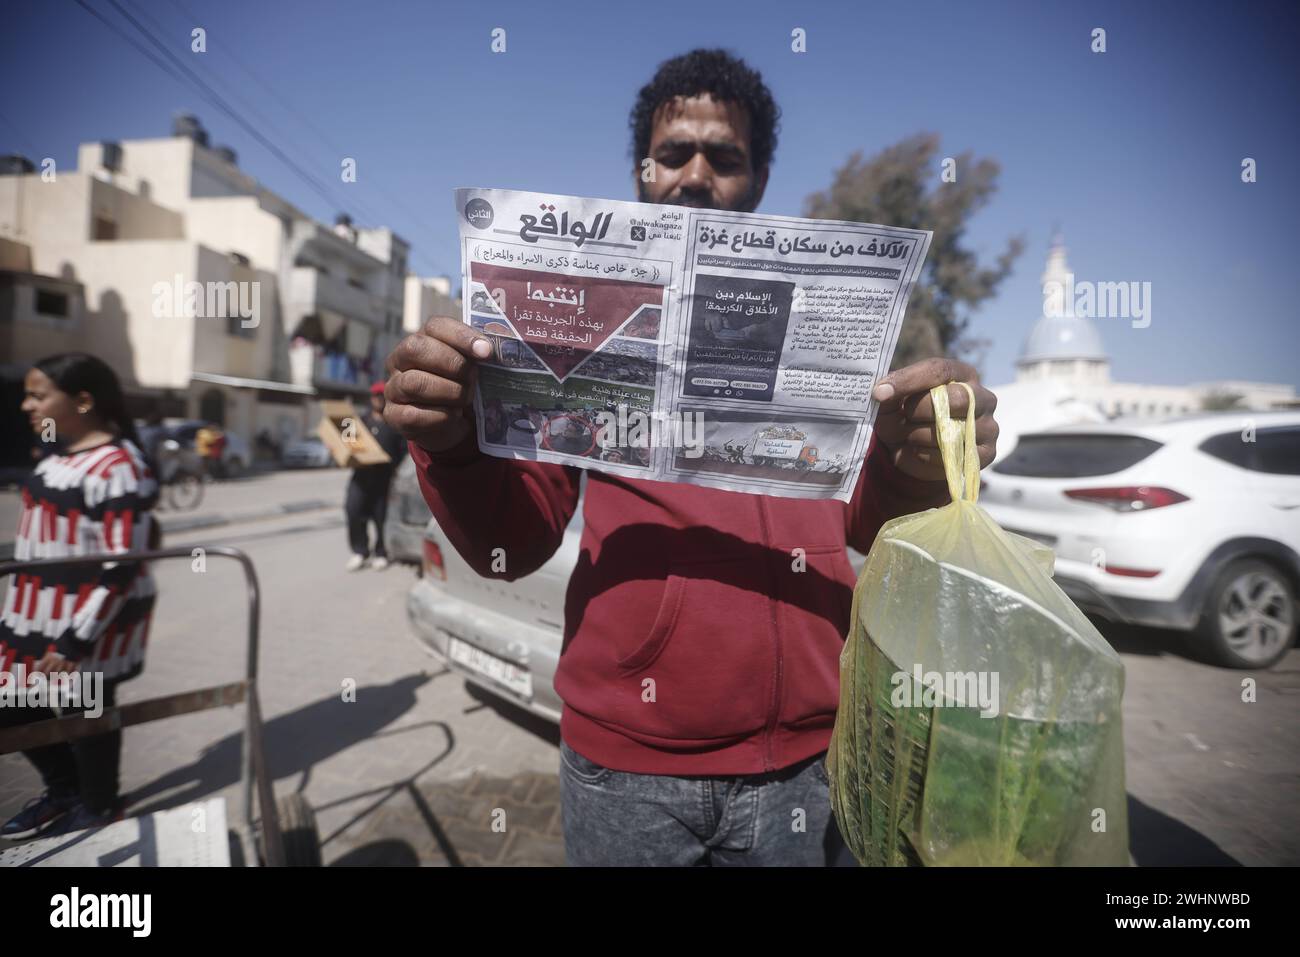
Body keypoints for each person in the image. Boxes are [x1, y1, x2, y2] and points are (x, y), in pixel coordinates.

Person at [384, 49, 1000, 866]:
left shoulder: (836, 315)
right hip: (628, 774)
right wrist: (452, 442)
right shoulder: (574, 318)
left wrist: (922, 458)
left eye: (726, 157)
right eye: (674, 153)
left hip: (814, 763)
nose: (697, 174)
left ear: (761, 176)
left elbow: (870, 520)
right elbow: (516, 544)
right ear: (642, 170)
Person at [0, 353, 159, 838]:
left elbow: (122, 566)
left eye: (39, 395)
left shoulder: (122, 467)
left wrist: (75, 640)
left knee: (85, 711)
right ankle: (64, 789)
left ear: (84, 400)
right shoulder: (55, 448)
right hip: (33, 614)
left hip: (87, 626)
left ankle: (100, 804)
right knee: (12, 707)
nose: (28, 405)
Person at [344, 382, 407, 571]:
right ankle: (360, 551)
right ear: (371, 398)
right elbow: (346, 443)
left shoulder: (394, 423)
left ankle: (381, 552)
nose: (378, 399)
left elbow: (403, 450)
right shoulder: (360, 421)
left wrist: (396, 468)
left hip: (384, 478)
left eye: (381, 396)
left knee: (381, 517)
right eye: (375, 396)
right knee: (353, 511)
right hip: (360, 476)